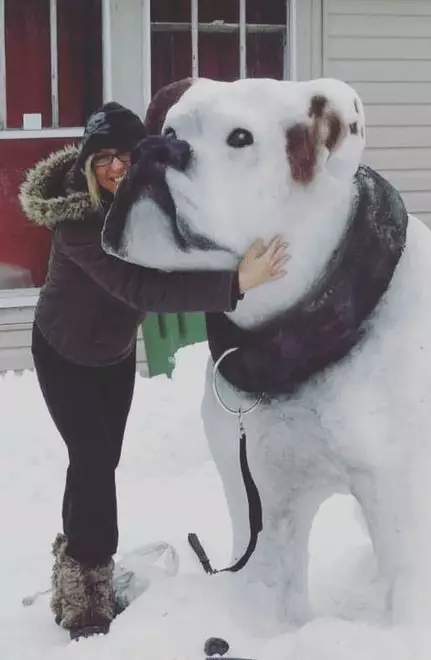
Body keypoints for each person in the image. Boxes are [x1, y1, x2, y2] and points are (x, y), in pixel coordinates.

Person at [18, 102, 289, 640]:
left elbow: (183, 246)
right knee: (92, 462)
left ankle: (84, 560)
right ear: (88, 164)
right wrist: (236, 283)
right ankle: (85, 592)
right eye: (102, 159)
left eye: (124, 156)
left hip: (113, 354)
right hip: (64, 353)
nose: (114, 168)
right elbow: (142, 288)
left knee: (100, 460)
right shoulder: (79, 225)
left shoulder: (141, 207)